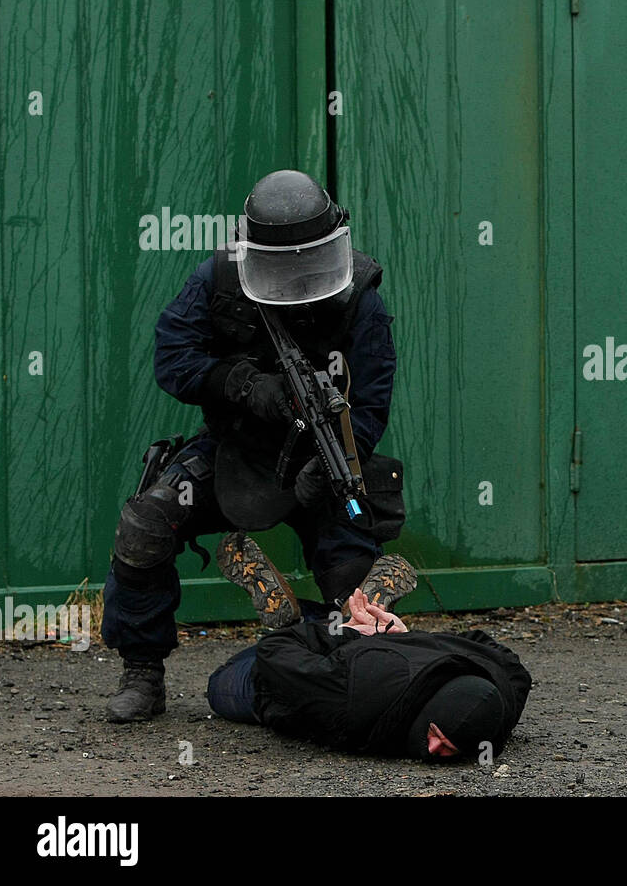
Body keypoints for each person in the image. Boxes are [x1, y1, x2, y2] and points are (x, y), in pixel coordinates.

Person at [103, 169, 414, 722]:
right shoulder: (220, 279)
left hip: (322, 459)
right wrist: (244, 385)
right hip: (235, 449)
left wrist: (338, 460)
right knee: (146, 526)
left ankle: (331, 660)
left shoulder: (359, 294)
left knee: (354, 587)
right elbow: (172, 357)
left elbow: (370, 402)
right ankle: (143, 671)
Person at [207, 588, 531, 761]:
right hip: (293, 682)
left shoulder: (500, 695)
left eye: (449, 747)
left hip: (394, 653)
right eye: (435, 734)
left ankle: (330, 613)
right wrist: (348, 634)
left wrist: (412, 638)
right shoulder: (354, 699)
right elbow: (274, 650)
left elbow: (511, 667)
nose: (432, 748)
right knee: (217, 686)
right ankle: (318, 617)